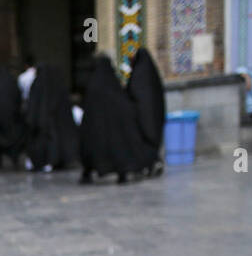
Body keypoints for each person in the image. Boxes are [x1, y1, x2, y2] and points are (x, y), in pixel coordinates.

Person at [79, 55, 156, 184]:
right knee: (119, 149)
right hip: (116, 136)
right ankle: (122, 173)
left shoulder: (93, 88)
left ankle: (88, 172)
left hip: (97, 135)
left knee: (93, 150)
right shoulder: (114, 88)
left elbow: (88, 115)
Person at [24, 64, 80, 172]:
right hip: (53, 123)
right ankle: (53, 161)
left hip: (43, 122)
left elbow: (33, 105)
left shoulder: (38, 84)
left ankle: (48, 161)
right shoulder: (58, 85)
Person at [126, 48, 166, 173]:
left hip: (141, 119)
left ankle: (147, 165)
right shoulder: (153, 75)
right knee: (152, 142)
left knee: (144, 143)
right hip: (155, 118)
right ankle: (153, 163)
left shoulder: (137, 76)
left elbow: (133, 95)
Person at [0, 63, 26, 170]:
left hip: (0, 118)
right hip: (12, 118)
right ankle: (14, 159)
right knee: (13, 139)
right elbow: (18, 98)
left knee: (0, 140)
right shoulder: (12, 83)